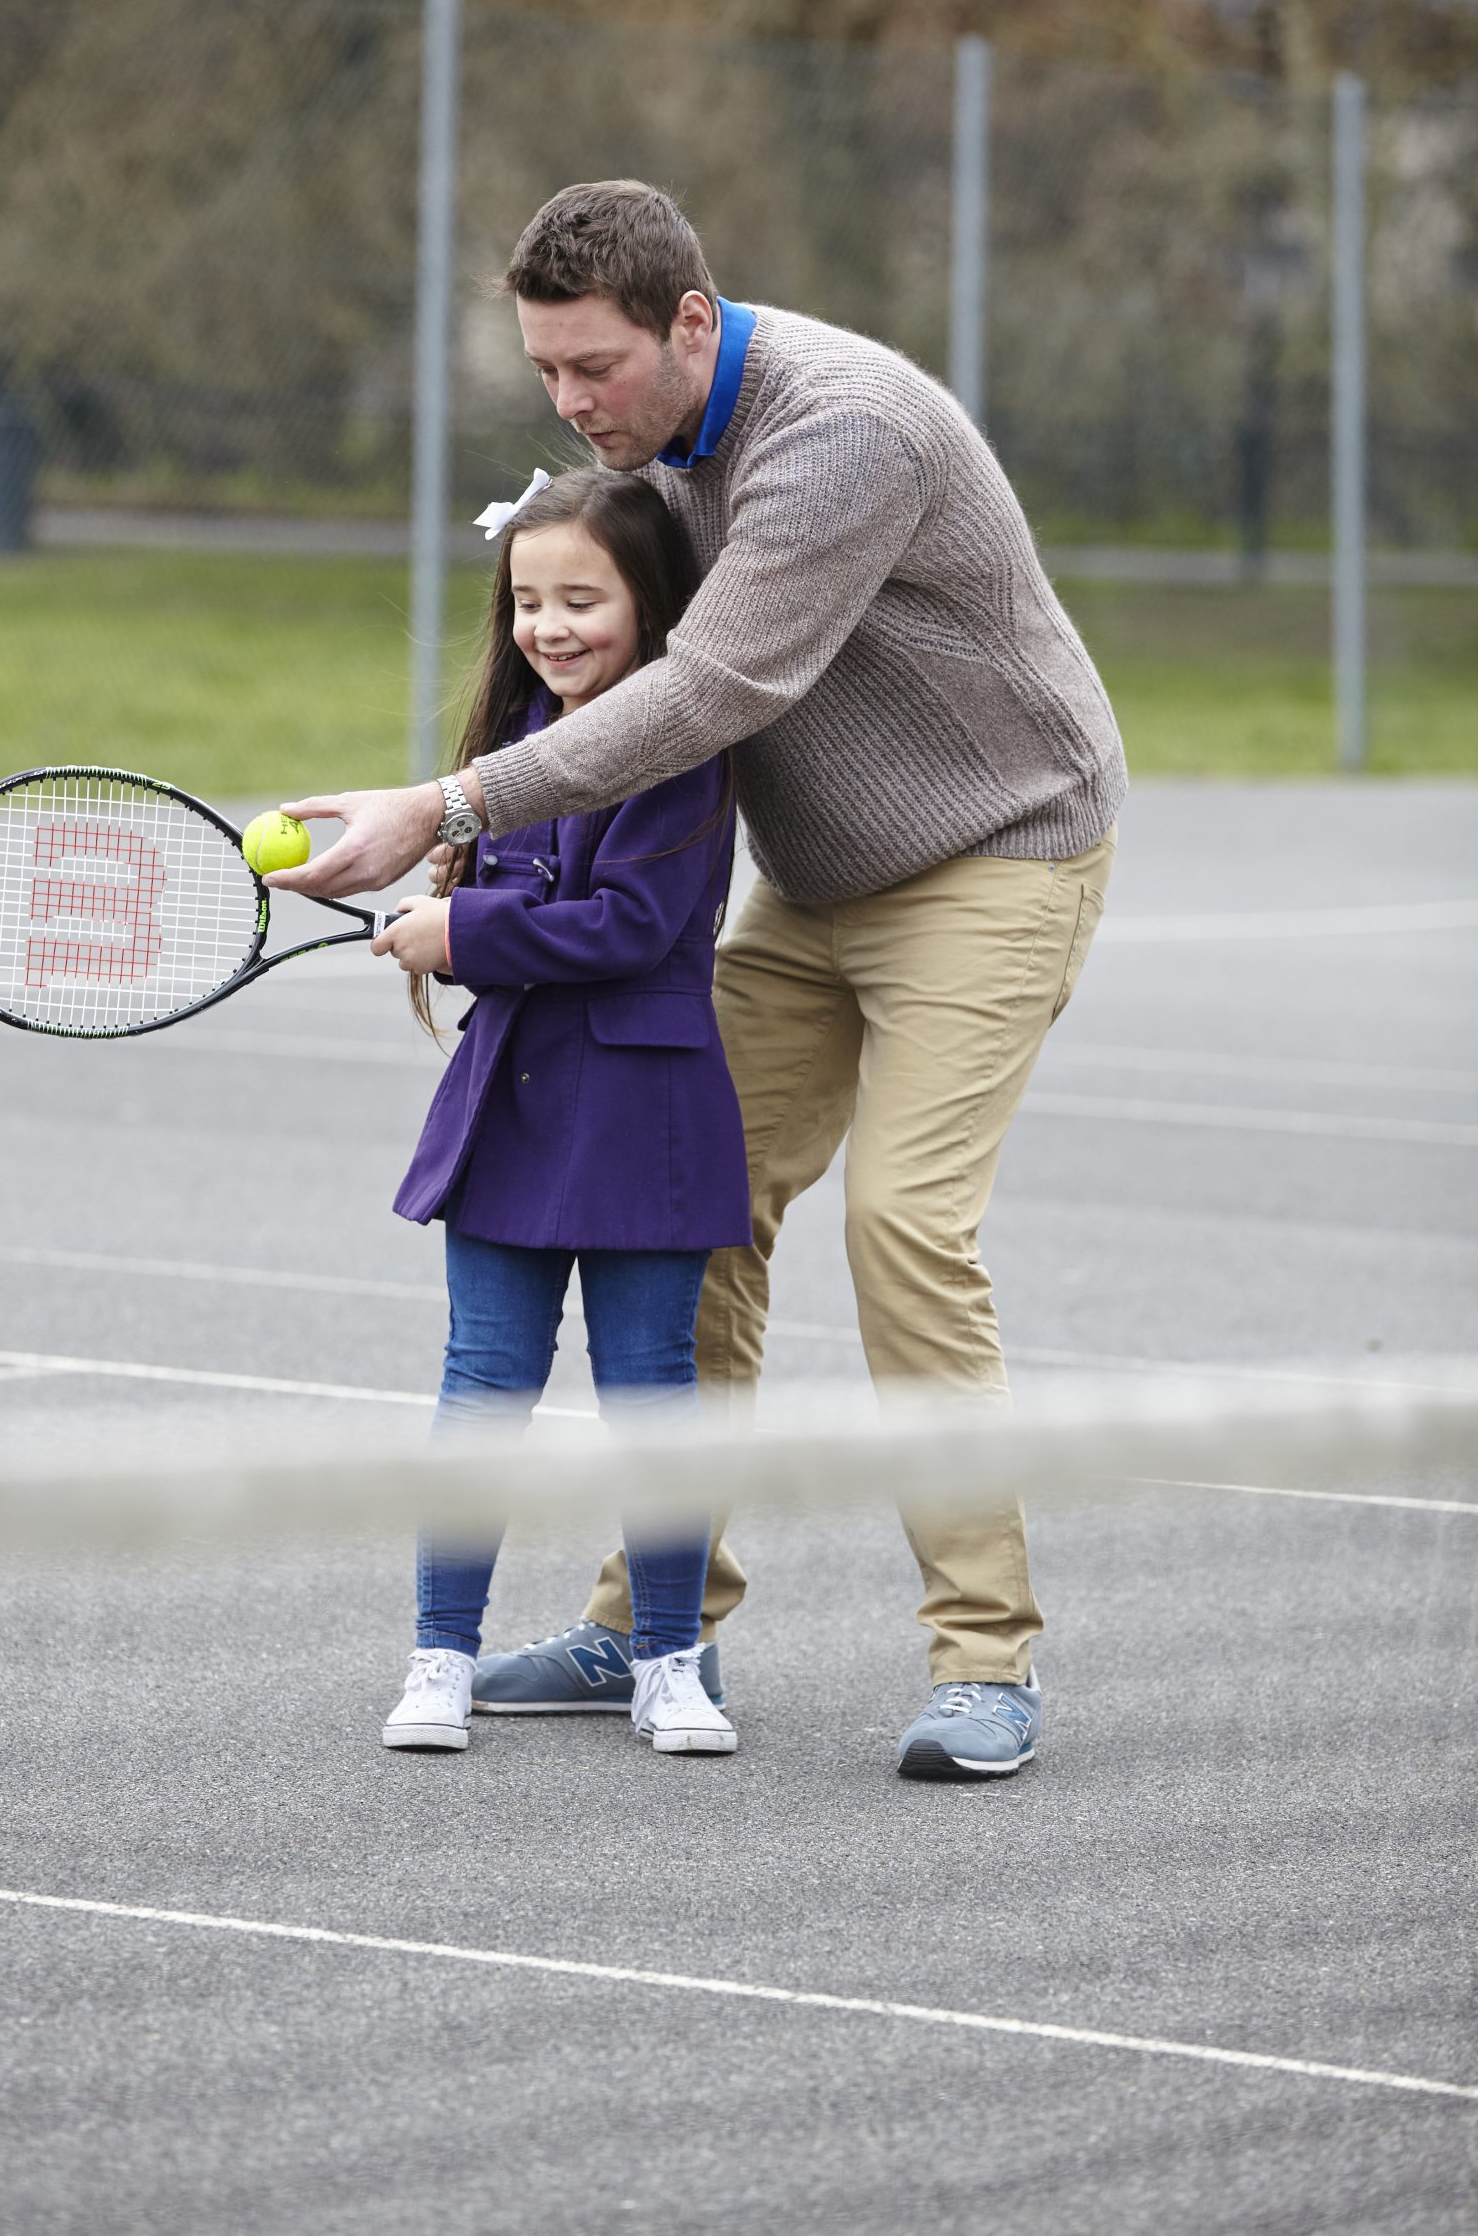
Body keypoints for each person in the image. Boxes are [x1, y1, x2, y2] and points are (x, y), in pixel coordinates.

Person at [271, 179, 1127, 1783]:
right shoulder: (646, 448)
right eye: (544, 374)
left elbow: (711, 688)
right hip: (818, 884)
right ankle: (653, 1625)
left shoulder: (841, 433)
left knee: (907, 1231)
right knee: (693, 1206)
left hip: (996, 854)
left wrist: (442, 811)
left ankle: (985, 1662)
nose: (571, 405)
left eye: (593, 369)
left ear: (690, 321)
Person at [373, 466, 748, 1758]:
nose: (551, 625)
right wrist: (440, 899)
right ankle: (439, 1658)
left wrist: (460, 926)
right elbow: (522, 911)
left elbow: (634, 927)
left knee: (653, 1396)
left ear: (651, 605)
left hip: (648, 1113)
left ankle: (667, 1666)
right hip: (513, 1113)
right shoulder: (508, 752)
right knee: (481, 1393)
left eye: (582, 597)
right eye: (530, 600)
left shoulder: (684, 749)